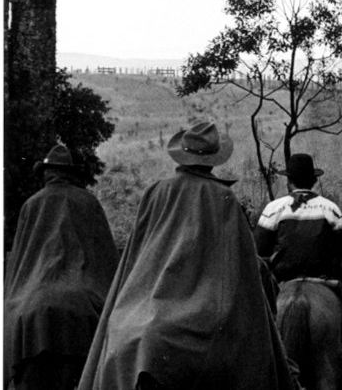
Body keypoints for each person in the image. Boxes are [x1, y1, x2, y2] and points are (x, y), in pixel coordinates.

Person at [79, 122, 296, 390]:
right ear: (213, 159)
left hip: (139, 319)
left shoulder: (156, 191)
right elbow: (242, 268)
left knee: (116, 331)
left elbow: (134, 257)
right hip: (204, 319)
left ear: (181, 154)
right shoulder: (224, 198)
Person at [6, 144, 119, 390]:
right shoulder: (88, 202)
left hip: (31, 317)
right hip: (81, 314)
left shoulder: (31, 205)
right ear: (71, 173)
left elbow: (18, 267)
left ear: (46, 173)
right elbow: (108, 262)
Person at [255, 153, 342, 384]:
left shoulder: (273, 209)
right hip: (325, 281)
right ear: (314, 181)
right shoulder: (331, 209)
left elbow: (259, 251)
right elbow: (341, 249)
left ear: (289, 181)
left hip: (282, 284)